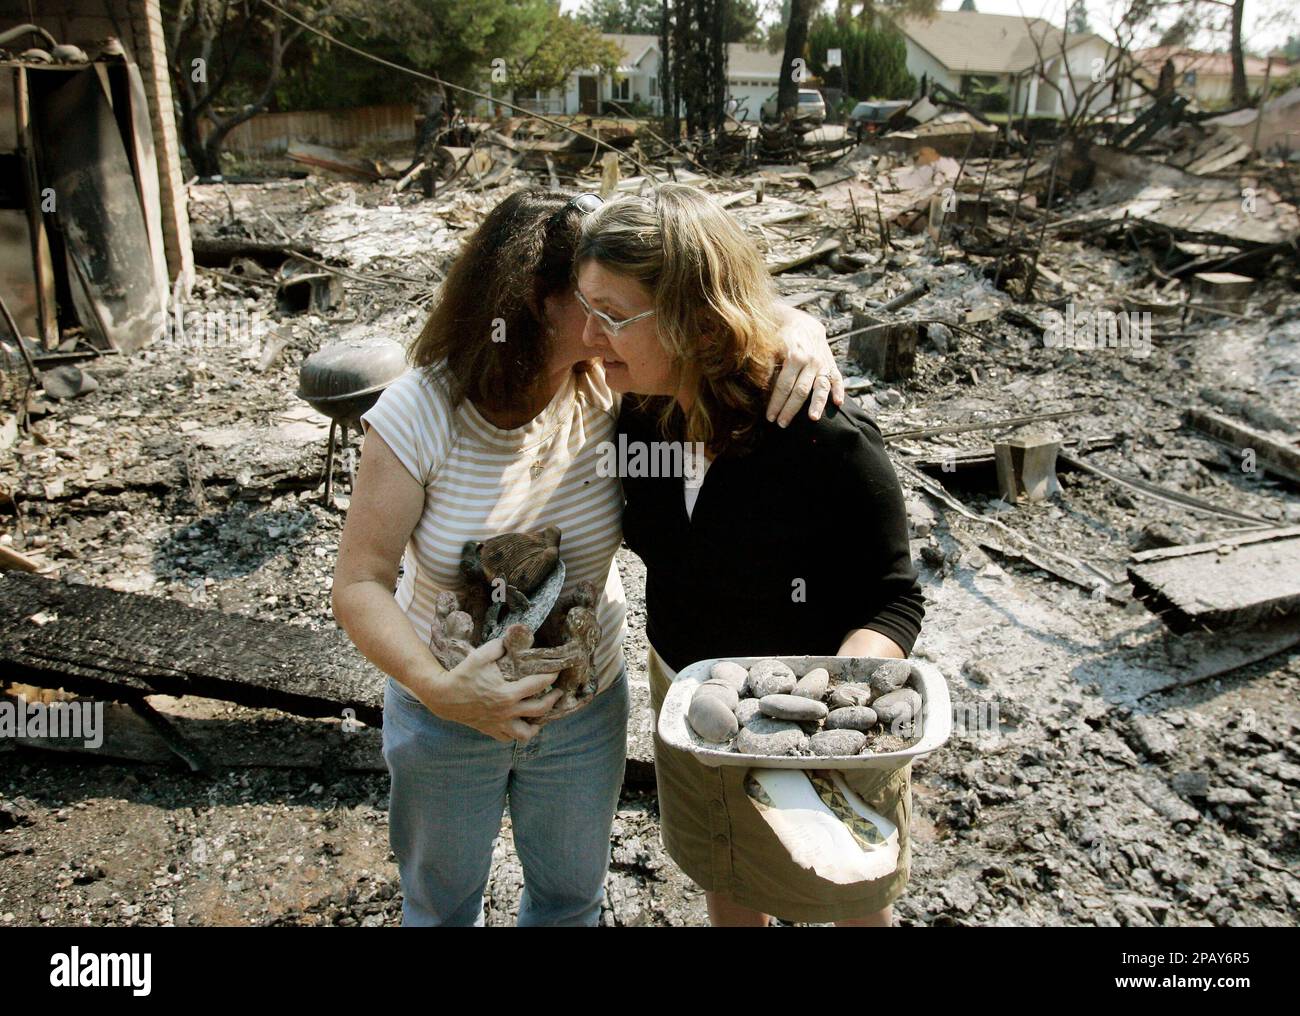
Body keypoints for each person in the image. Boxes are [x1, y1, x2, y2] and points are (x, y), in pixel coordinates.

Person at [331, 187, 844, 927]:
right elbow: (360, 583)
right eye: (592, 301)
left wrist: (798, 325)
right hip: (445, 722)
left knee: (571, 905)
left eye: (618, 306)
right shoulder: (420, 411)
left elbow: (701, 303)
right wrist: (441, 692)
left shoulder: (614, 393)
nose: (612, 320)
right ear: (536, 303)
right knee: (439, 911)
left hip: (582, 715)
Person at [573, 183, 926, 927]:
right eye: (585, 308)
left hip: (811, 721)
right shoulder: (637, 411)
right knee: (725, 865)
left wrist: (844, 709)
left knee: (848, 884)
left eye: (611, 316)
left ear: (696, 323)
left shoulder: (820, 437)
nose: (588, 336)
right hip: (686, 699)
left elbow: (893, 599)